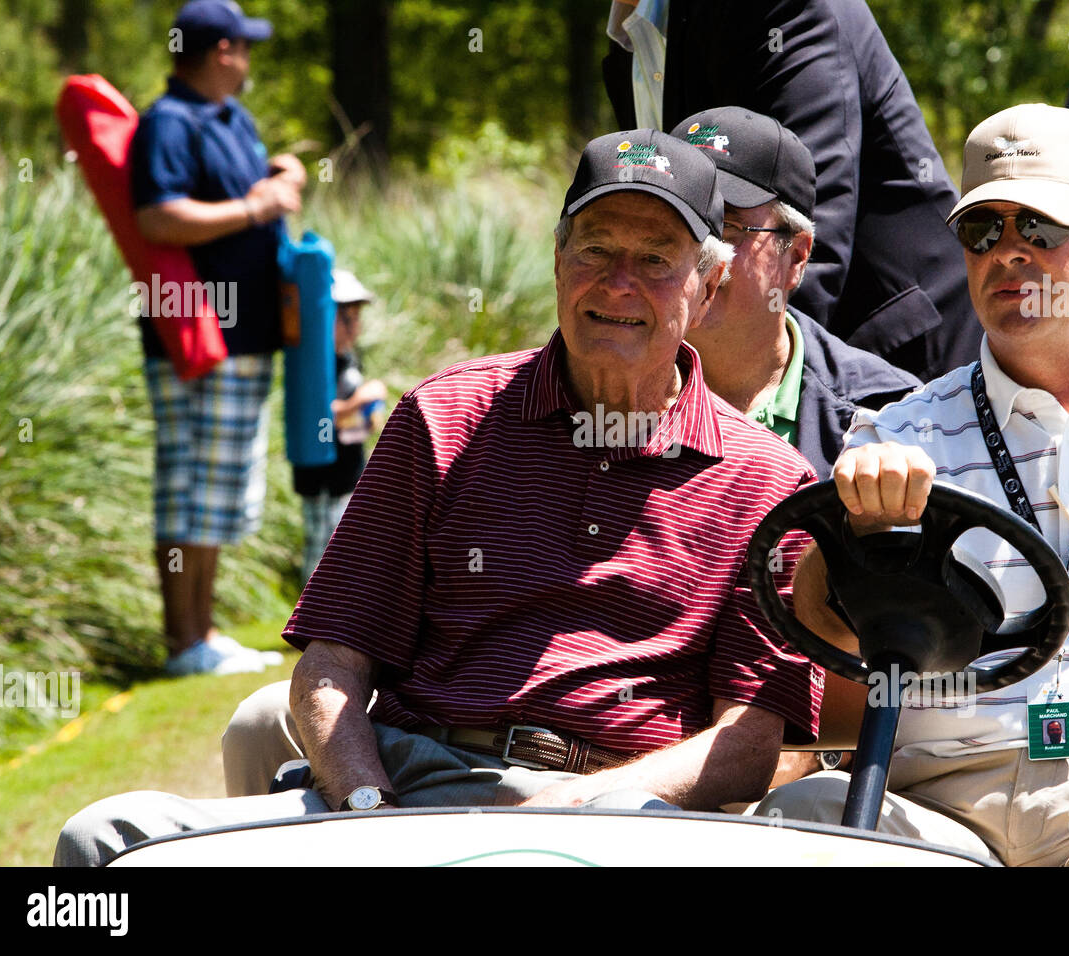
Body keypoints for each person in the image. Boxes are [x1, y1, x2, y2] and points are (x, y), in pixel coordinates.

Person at [55, 129, 823, 864]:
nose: (618, 283)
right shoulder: (446, 417)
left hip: (624, 814)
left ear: (709, 282)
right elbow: (333, 661)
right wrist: (366, 809)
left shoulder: (767, 479)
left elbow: (750, 739)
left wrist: (581, 807)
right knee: (110, 839)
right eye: (595, 249)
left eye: (656, 259)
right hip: (411, 788)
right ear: (558, 262)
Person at [755, 103, 1069, 867]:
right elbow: (823, 631)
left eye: (1040, 227)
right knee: (796, 818)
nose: (1008, 254)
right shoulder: (898, 434)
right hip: (940, 809)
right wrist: (848, 537)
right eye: (981, 230)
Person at [604, 0, 981, 382]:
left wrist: (732, 400)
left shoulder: (781, 7)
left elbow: (810, 225)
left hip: (903, 355)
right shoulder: (626, 46)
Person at [133, 0, 301, 675]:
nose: (250, 58)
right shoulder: (168, 122)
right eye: (244, 46)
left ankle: (202, 635)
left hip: (244, 335)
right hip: (196, 333)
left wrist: (280, 175)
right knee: (191, 486)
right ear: (221, 51)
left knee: (219, 486)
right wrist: (260, 204)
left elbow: (246, 189)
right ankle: (185, 643)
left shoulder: (232, 118)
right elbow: (159, 216)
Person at [670, 106, 919, 481]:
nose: (699, 253)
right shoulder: (595, 391)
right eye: (681, 224)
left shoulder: (889, 415)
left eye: (726, 228)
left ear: (797, 256)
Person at [293, 269, 387, 582]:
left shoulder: (349, 358)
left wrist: (366, 414)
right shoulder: (315, 363)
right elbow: (315, 415)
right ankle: (307, 624)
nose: (354, 326)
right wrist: (361, 399)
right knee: (321, 553)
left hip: (349, 473)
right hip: (322, 478)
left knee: (347, 553)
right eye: (346, 317)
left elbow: (346, 420)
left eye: (356, 317)